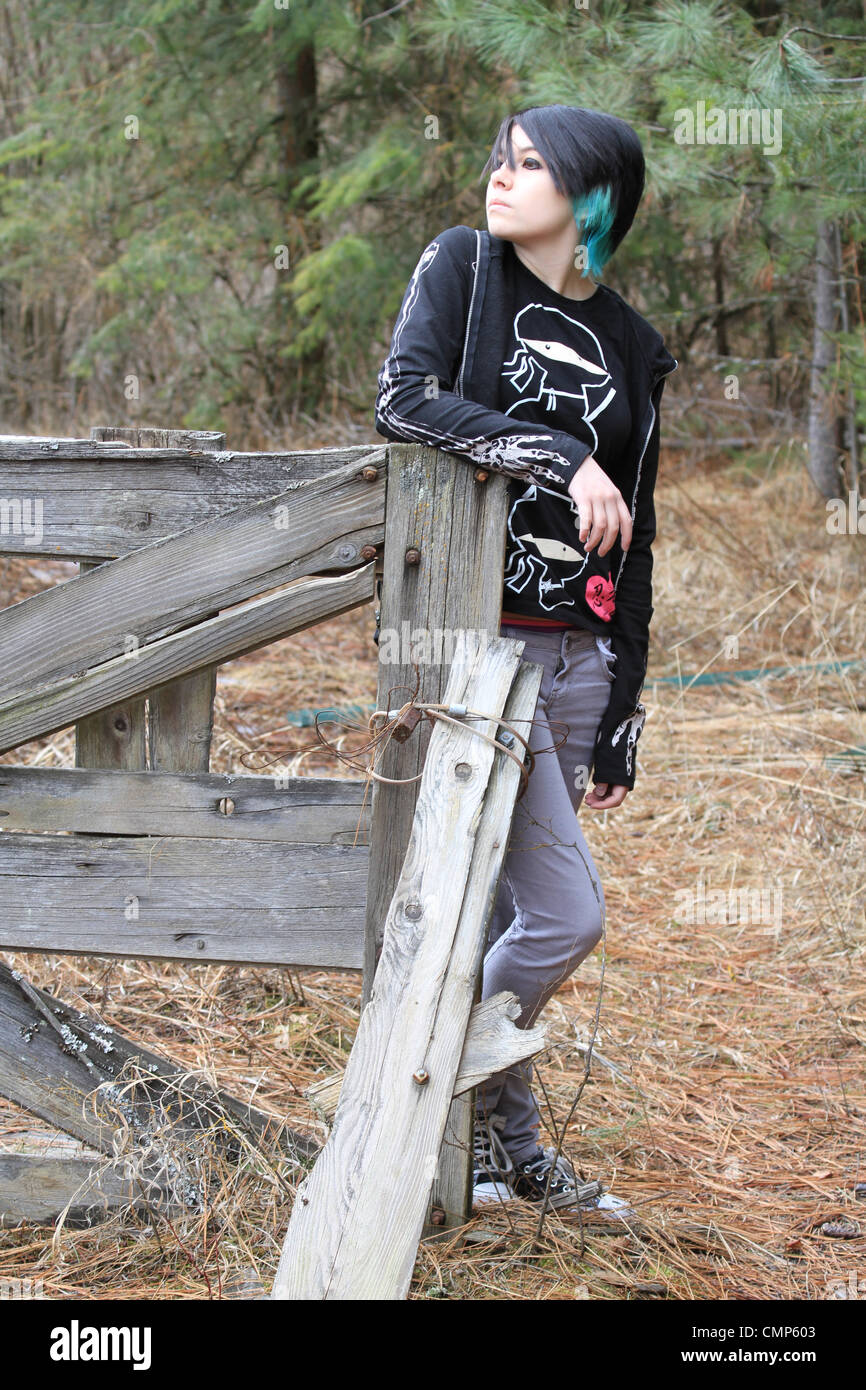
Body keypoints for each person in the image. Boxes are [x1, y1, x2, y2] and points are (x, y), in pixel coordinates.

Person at [373, 104, 677, 1214]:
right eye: (500, 156)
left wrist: (624, 711)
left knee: (516, 919)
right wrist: (560, 457)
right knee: (563, 917)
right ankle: (413, 1088)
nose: (500, 177)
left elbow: (637, 537)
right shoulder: (464, 270)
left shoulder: (637, 347)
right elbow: (402, 401)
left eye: (531, 163)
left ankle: (504, 1154)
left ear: (592, 198)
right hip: (476, 647)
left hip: (578, 659)